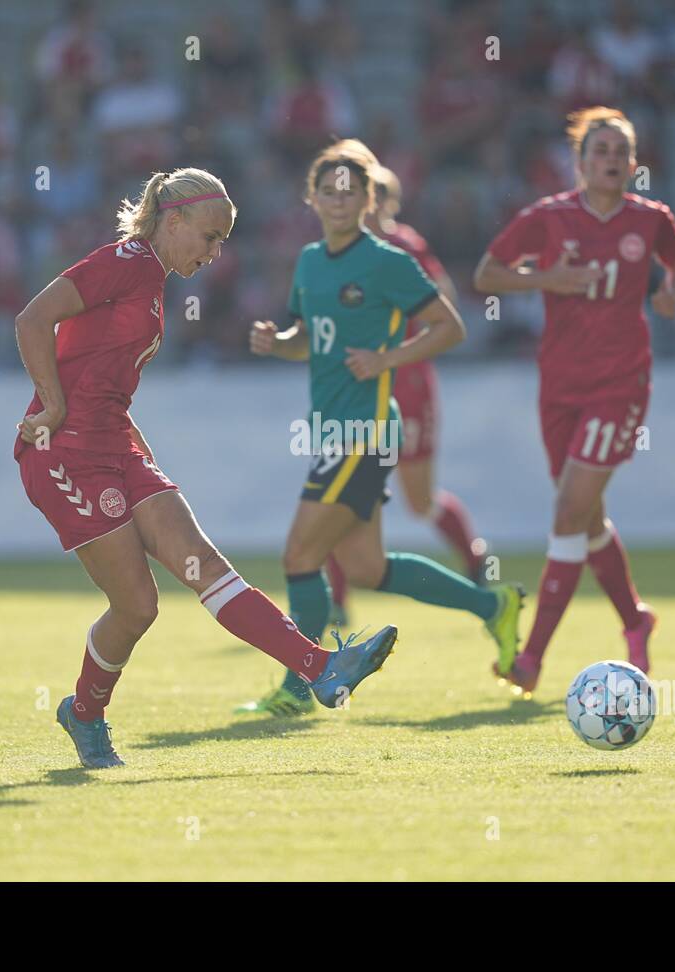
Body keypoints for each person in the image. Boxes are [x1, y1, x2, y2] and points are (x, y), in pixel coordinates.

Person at [14, 167, 398, 768]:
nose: (216, 252)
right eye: (211, 237)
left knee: (205, 566)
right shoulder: (126, 261)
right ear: (175, 220)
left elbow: (103, 381)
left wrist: (136, 453)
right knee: (138, 605)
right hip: (63, 453)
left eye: (223, 241)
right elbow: (32, 319)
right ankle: (84, 713)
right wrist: (52, 405)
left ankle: (322, 670)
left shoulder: (152, 276)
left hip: (115, 447)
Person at [240, 139, 524, 718]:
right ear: (312, 197)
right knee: (368, 568)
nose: (339, 200)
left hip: (364, 433)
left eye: (351, 191)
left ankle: (299, 688)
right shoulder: (310, 262)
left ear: (369, 198)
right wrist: (278, 343)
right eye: (328, 190)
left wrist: (386, 359)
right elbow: (307, 344)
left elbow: (451, 328)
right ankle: (493, 607)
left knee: (299, 555)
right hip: (331, 431)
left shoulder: (389, 262)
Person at [473, 107, 675, 694]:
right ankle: (636, 620)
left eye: (621, 152)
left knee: (569, 512)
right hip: (559, 389)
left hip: (619, 386)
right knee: (587, 518)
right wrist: (545, 279)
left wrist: (671, 293)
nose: (612, 160)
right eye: (601, 151)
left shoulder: (651, 220)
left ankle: (532, 660)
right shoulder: (549, 219)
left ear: (634, 164)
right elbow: (488, 274)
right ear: (580, 161)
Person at [324, 165, 489, 628]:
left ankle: (476, 565)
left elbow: (445, 300)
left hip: (407, 385)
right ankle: (337, 601)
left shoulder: (405, 247)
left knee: (418, 502)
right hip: (356, 388)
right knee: (340, 494)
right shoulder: (338, 250)